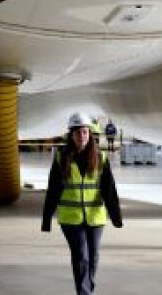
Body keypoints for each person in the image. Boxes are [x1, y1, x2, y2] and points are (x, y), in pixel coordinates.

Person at [41, 111, 123, 295]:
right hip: (71, 219)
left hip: (95, 218)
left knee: (93, 258)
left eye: (85, 131)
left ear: (90, 134)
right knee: (81, 256)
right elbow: (53, 189)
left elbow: (109, 190)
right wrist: (46, 218)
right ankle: (84, 293)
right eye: (77, 132)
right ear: (71, 135)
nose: (81, 135)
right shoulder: (61, 158)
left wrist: (116, 216)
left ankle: (87, 289)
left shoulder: (100, 158)